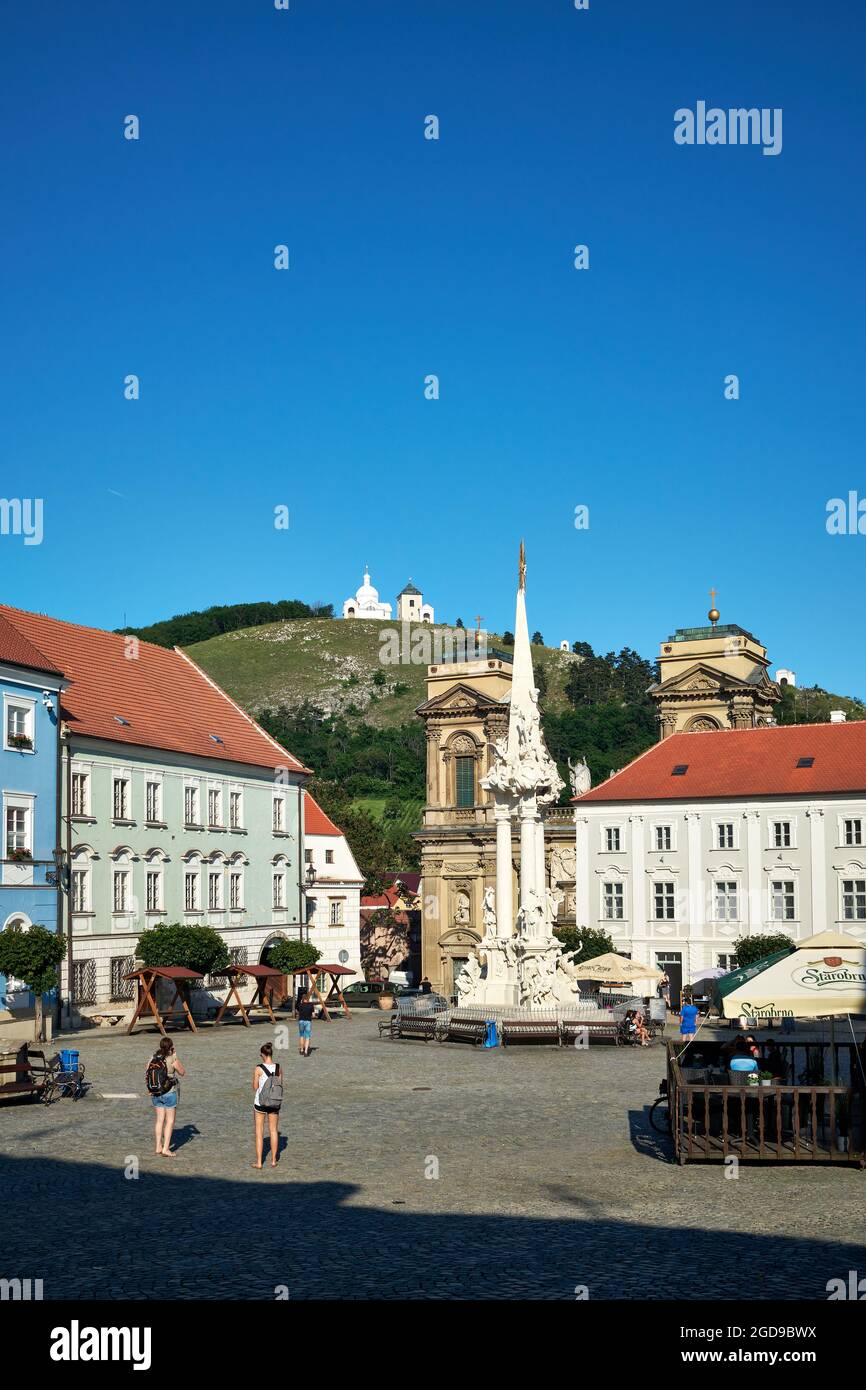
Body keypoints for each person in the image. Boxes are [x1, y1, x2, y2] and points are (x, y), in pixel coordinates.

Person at [149, 1037, 185, 1158]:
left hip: (156, 1092)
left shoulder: (154, 1057)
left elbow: (147, 1070)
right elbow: (182, 1072)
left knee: (159, 1120)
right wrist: (175, 1056)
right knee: (170, 1121)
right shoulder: (172, 1058)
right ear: (171, 1047)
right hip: (169, 1092)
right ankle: (166, 1149)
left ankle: (158, 1146)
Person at [252, 1041, 282, 1169]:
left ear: (263, 1055)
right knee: (273, 1131)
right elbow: (280, 1085)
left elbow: (255, 1087)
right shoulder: (278, 1067)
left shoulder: (258, 1068)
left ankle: (259, 1162)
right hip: (274, 1102)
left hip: (260, 1103)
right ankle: (274, 1160)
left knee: (259, 1132)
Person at [297, 991, 315, 1056]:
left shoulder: (300, 1005)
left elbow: (298, 1012)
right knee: (307, 1037)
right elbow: (313, 1015)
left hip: (301, 1021)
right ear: (307, 998)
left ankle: (301, 1050)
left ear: (302, 999)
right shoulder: (311, 1005)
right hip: (308, 1021)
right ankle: (306, 1051)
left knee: (301, 1036)